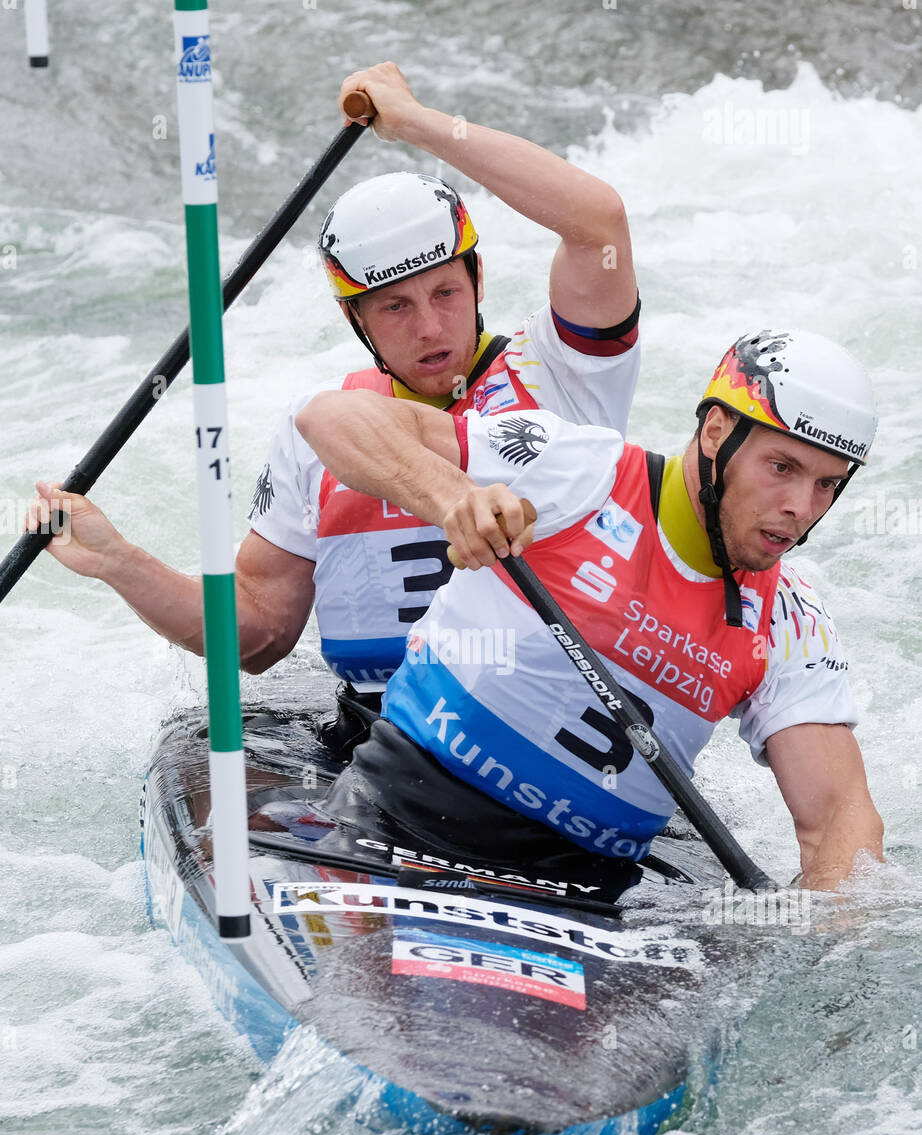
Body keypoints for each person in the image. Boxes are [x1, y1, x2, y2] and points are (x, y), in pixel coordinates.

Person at [25, 62, 641, 753]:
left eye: (445, 294)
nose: (431, 328)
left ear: (478, 278)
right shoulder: (317, 429)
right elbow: (258, 636)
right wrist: (120, 562)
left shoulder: (562, 373)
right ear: (359, 322)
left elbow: (600, 224)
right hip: (378, 745)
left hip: (550, 741)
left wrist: (412, 123)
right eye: (396, 308)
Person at [296, 327, 885, 892]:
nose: (799, 507)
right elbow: (329, 417)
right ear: (715, 432)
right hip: (399, 819)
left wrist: (835, 923)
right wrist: (453, 496)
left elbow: (838, 824)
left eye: (827, 485)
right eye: (782, 468)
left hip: (588, 887)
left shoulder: (789, 619)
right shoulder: (577, 469)